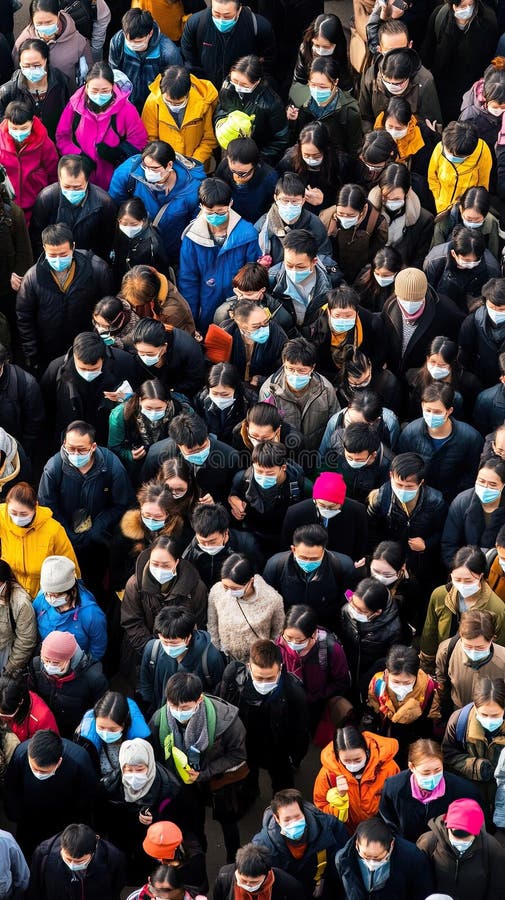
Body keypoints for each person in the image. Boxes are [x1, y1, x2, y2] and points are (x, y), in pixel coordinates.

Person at [150, 671, 247, 860]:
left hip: (219, 782)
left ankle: (234, 859)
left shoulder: (227, 721)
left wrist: (204, 773)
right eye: (173, 706)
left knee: (228, 822)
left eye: (185, 707)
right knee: (193, 822)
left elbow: (238, 755)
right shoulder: (159, 720)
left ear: (199, 700)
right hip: (184, 783)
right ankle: (199, 855)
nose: (178, 712)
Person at [38, 421, 134, 591]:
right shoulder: (54, 468)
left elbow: (122, 504)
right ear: (64, 444)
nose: (75, 454)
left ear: (93, 447)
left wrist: (99, 526)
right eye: (70, 448)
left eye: (81, 450)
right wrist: (67, 532)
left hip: (100, 539)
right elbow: (47, 506)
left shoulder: (112, 466)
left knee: (97, 581)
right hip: (65, 539)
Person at [16, 222, 114, 373]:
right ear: (44, 249)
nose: (58, 260)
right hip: (49, 348)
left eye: (63, 255)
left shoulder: (96, 269)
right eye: (52, 255)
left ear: (73, 247)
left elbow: (108, 305)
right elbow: (24, 317)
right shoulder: (33, 278)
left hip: (87, 346)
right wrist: (32, 355)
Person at [219, 639, 309, 792]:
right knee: (247, 782)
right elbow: (224, 708)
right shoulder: (234, 675)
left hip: (278, 748)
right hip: (247, 743)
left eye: (270, 678)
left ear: (280, 668)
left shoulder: (294, 692)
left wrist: (295, 757)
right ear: (249, 667)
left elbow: (301, 730)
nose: (263, 683)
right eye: (259, 677)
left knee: (283, 787)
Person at [178, 177, 261, 333]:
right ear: (201, 206)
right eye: (210, 212)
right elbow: (188, 280)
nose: (215, 216)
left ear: (230, 203)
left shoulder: (247, 234)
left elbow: (254, 274)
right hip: (205, 305)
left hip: (239, 302)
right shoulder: (192, 238)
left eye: (221, 211)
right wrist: (191, 318)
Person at [5, 728, 98, 859]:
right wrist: (15, 813)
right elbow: (12, 786)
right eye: (34, 768)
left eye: (43, 772)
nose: (38, 773)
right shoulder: (21, 752)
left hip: (63, 822)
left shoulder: (79, 760)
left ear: (59, 761)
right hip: (29, 818)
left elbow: (87, 798)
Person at [56, 61, 148, 192]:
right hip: (81, 179)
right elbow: (62, 137)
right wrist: (78, 156)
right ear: (86, 87)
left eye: (105, 91)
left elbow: (139, 140)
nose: (99, 95)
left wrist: (119, 153)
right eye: (94, 90)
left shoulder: (127, 109)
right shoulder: (74, 106)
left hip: (115, 179)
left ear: (113, 86)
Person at [109, 140, 205, 264]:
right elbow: (116, 205)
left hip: (172, 252)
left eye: (154, 168)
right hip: (135, 248)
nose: (148, 172)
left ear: (169, 165)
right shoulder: (128, 174)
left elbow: (195, 226)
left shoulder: (192, 188)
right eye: (145, 166)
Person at [121, 536, 208, 669]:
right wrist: (152, 651)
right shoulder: (135, 585)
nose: (159, 569)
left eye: (166, 565)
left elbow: (199, 624)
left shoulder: (196, 588)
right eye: (155, 564)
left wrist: (180, 649)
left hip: (183, 652)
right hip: (144, 652)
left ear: (177, 562)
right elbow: (132, 622)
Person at [41, 330, 137, 448]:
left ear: (103, 359)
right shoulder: (57, 369)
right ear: (75, 356)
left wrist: (124, 397)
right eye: (83, 369)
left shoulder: (123, 363)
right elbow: (46, 406)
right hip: (72, 436)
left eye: (93, 369)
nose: (87, 373)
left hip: (107, 432)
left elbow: (138, 396)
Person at [103, 738, 181, 881]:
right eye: (129, 769)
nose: (134, 775)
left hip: (150, 848)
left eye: (140, 769)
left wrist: (156, 818)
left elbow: (176, 819)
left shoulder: (168, 786)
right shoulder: (109, 785)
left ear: (149, 765)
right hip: (123, 840)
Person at [379, 737, 481, 843]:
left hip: (443, 848)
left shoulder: (463, 791)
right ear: (411, 767)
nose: (432, 777)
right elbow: (388, 823)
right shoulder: (393, 788)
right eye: (426, 772)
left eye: (437, 770)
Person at [420, 546, 505, 674]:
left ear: (481, 576)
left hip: (476, 671)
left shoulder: (497, 609)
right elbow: (430, 632)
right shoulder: (440, 595)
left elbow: (499, 650)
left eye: (468, 580)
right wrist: (426, 665)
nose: (462, 585)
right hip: (443, 662)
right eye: (457, 579)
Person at [252, 787, 347, 899]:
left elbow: (343, 861)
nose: (294, 823)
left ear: (304, 813)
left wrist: (326, 879)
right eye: (287, 820)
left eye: (297, 817)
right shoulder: (262, 846)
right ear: (277, 819)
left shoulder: (329, 827)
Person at [397, 382, 483, 502]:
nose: (431, 415)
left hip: (453, 499)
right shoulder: (410, 433)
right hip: (419, 497)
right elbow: (402, 466)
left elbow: (472, 473)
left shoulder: (470, 438)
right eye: (428, 410)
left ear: (449, 411)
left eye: (437, 412)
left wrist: (456, 496)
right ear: (422, 406)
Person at [275, 605, 351, 739]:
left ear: (314, 634)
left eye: (299, 640)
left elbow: (341, 681)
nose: (292, 643)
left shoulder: (331, 649)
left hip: (319, 705)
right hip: (290, 704)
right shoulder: (279, 646)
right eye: (288, 637)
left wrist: (313, 697)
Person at [263, 523, 355, 631]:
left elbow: (347, 604)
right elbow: (267, 603)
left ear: (324, 550)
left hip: (325, 628)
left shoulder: (343, 567)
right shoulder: (275, 566)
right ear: (293, 549)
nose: (308, 562)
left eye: (314, 559)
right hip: (288, 628)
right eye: (303, 557)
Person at [139, 606, 225, 717]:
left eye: (173, 643)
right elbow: (146, 688)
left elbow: (218, 694)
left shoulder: (210, 658)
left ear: (188, 637)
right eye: (165, 642)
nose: (169, 647)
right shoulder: (152, 649)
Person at [421, 0, 498, 123]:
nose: (467, 8)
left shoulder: (488, 20)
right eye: (462, 6)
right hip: (443, 87)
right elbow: (428, 53)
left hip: (471, 88)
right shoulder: (440, 16)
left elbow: (487, 56)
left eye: (470, 5)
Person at [30, 153, 118, 262]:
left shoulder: (104, 203)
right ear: (59, 179)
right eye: (66, 186)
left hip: (88, 261)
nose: (71, 191)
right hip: (55, 260)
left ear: (87, 181)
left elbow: (106, 242)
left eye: (77, 187)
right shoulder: (47, 198)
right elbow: (37, 238)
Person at [0, 481, 79, 599]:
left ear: (35, 507)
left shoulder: (54, 530)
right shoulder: (3, 517)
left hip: (45, 595)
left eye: (23, 514)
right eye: (13, 513)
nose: (17, 518)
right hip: (12, 591)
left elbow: (70, 566)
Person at [228, 441, 309, 554]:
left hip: (284, 537)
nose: (263, 476)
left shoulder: (300, 485)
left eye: (270, 473)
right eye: (259, 471)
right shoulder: (242, 478)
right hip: (253, 535)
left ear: (283, 467)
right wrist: (233, 501)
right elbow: (232, 494)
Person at [313, 725, 399, 833]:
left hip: (381, 829)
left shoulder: (388, 768)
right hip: (347, 831)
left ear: (366, 751)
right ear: (337, 756)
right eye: (347, 761)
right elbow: (320, 807)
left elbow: (397, 799)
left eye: (358, 759)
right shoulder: (327, 775)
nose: (353, 764)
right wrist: (340, 801)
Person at [442, 677, 505, 822]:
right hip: (470, 792)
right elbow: (448, 754)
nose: (489, 719)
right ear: (475, 707)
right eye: (484, 714)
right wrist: (476, 767)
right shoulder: (459, 722)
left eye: (495, 715)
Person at [417, 797, 505, 900]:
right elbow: (417, 880)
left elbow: (497, 888)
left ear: (477, 832)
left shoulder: (492, 848)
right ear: (446, 825)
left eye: (466, 836)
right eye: (456, 834)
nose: (461, 841)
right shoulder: (429, 842)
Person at [259, 337, 338, 452]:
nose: (295, 374)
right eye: (290, 369)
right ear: (284, 363)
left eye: (302, 370)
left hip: (315, 451)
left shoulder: (325, 390)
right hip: (284, 452)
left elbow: (335, 425)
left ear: (312, 368)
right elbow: (264, 427)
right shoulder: (269, 391)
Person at [142, 413, 240, 504]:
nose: (199, 453)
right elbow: (146, 487)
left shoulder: (230, 456)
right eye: (192, 452)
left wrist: (217, 498)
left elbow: (233, 489)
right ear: (178, 444)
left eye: (203, 448)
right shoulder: (157, 456)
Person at [381, 267, 463, 376]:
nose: (409, 304)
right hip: (393, 371)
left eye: (416, 299)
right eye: (405, 299)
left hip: (423, 375)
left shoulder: (447, 311)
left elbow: (456, 345)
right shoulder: (390, 305)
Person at [180, 0, 276, 91]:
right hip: (208, 90)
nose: (221, 20)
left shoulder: (259, 27)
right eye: (216, 14)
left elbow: (267, 63)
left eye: (227, 16)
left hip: (241, 90)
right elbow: (190, 61)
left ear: (239, 10)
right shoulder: (196, 24)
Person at [30, 630, 108, 738]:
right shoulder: (36, 666)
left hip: (75, 731)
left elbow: (100, 710)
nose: (49, 666)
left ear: (70, 659)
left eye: (56, 663)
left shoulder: (94, 679)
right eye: (46, 660)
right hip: (46, 728)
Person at [366, 645, 439, 761]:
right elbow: (372, 708)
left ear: (416, 675)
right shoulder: (378, 683)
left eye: (407, 683)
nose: (401, 687)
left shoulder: (429, 688)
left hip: (414, 740)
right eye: (395, 682)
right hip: (385, 737)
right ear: (387, 672)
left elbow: (430, 724)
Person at [304, 283, 386, 385]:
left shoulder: (372, 324)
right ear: (329, 312)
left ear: (357, 312)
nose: (342, 320)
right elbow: (315, 361)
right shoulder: (315, 326)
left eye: (348, 316)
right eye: (337, 315)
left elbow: (379, 355)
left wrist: (363, 376)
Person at [207, 553, 284, 661]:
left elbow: (278, 634)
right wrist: (217, 652)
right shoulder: (217, 591)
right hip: (225, 657)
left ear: (251, 581)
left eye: (235, 588)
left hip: (256, 661)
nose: (229, 592)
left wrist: (263, 658)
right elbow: (212, 625)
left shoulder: (272, 599)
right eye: (225, 586)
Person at [335, 816, 434, 899]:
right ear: (357, 844)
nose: (371, 863)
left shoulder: (413, 858)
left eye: (377, 858)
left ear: (391, 845)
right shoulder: (343, 859)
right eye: (366, 856)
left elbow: (422, 893)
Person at [214, 55, 288, 164]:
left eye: (244, 84)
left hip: (254, 157)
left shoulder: (271, 104)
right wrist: (221, 124)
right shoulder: (228, 87)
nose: (237, 87)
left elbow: (280, 139)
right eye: (234, 80)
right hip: (228, 149)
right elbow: (221, 110)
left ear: (257, 82)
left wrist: (257, 158)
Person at [108, 379, 186, 482]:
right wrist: (129, 455)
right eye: (148, 408)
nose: (153, 413)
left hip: (169, 459)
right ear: (140, 400)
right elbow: (114, 447)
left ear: (167, 402)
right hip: (137, 463)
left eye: (159, 408)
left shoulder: (179, 410)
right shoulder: (120, 414)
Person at [281, 472, 368, 563]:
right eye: (322, 505)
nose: (326, 509)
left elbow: (361, 544)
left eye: (332, 507)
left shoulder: (357, 511)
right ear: (314, 500)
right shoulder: (296, 512)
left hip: (341, 563)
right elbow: (285, 547)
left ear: (342, 502)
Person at [142, 64, 217, 169]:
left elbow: (209, 139)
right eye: (168, 101)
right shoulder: (153, 102)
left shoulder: (203, 103)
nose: (172, 105)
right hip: (164, 165)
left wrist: (195, 161)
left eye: (178, 103)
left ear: (187, 93)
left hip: (196, 165)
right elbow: (150, 138)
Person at [32, 556, 107, 661]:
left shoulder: (91, 613)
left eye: (57, 595)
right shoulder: (41, 599)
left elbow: (98, 647)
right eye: (48, 594)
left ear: (72, 591)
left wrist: (86, 664)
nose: (51, 599)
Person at [435, 609, 505, 720]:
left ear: (492, 639)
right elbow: (442, 680)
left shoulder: (503, 659)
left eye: (480, 648)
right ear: (461, 636)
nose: (473, 652)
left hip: (491, 716)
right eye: (468, 646)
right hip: (458, 713)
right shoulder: (446, 651)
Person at [109, 8, 182, 112]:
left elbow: (173, 83)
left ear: (150, 33)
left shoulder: (168, 52)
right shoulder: (117, 42)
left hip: (153, 105)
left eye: (138, 41)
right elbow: (114, 73)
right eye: (129, 40)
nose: (133, 45)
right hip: (126, 102)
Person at [29, 823, 127, 900]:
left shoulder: (113, 857)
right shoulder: (44, 854)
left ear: (93, 852)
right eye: (68, 859)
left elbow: (117, 887)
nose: (72, 864)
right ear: (62, 847)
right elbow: (35, 888)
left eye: (80, 861)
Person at [267, 229, 339, 334]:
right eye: (289, 265)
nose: (293, 271)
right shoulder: (272, 279)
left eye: (300, 267)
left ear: (314, 262)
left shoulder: (332, 278)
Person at [13, 0, 93, 92]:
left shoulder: (79, 42)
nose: (44, 27)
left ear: (58, 15)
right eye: (39, 23)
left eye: (49, 22)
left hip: (67, 95)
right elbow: (16, 70)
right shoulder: (22, 42)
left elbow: (87, 76)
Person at [0, 37, 70, 142]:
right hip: (23, 146)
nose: (31, 69)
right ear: (20, 63)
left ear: (45, 60)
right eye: (26, 65)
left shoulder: (61, 81)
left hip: (53, 142)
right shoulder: (8, 90)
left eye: (36, 65)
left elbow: (67, 113)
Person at [255, 172, 332, 267]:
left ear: (303, 201)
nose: (289, 205)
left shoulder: (314, 224)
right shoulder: (264, 224)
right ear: (275, 198)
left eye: (295, 201)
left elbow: (325, 255)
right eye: (285, 200)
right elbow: (252, 256)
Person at [289, 57, 362, 157]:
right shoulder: (299, 97)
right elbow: (290, 136)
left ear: (335, 82)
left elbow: (354, 149)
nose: (316, 90)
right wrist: (291, 120)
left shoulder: (349, 110)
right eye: (313, 85)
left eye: (322, 87)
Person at [0, 101, 58, 225]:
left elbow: (53, 174)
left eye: (24, 128)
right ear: (7, 122)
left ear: (32, 122)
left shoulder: (44, 143)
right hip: (7, 207)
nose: (18, 132)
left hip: (36, 207)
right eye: (14, 128)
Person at [359, 47, 442, 132]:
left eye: (397, 84)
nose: (392, 86)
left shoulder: (424, 82)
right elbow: (364, 116)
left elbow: (433, 122)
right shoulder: (372, 77)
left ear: (408, 77)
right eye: (387, 82)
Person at [182, 503, 262, 590]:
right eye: (202, 542)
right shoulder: (190, 551)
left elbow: (257, 575)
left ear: (225, 532)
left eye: (212, 541)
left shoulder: (247, 544)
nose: (207, 546)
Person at [368, 163, 434, 268]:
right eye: (385, 197)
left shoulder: (424, 220)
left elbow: (419, 257)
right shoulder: (368, 213)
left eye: (396, 199)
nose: (389, 201)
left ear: (407, 192)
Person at [320, 183, 388, 284]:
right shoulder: (327, 218)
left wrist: (370, 271)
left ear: (363, 209)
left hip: (361, 273)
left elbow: (377, 254)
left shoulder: (377, 223)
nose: (344, 218)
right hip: (333, 270)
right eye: (341, 214)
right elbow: (322, 251)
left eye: (350, 215)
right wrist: (333, 274)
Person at [441, 460, 505, 567]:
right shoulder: (462, 502)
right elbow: (449, 544)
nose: (485, 487)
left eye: (492, 484)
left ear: (502, 485)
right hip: (464, 567)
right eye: (481, 481)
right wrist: (461, 571)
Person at [405, 335, 481, 424]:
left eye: (442, 365)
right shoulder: (414, 378)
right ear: (427, 358)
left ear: (452, 364)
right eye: (433, 362)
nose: (436, 367)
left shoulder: (469, 383)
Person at [424, 226, 500, 314]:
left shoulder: (491, 268)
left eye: (475, 260)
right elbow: (428, 290)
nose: (471, 264)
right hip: (440, 308)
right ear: (453, 254)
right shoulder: (435, 260)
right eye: (466, 260)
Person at [75, 690, 151, 778]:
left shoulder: (141, 740)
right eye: (101, 727)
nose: (106, 733)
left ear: (124, 724)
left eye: (113, 729)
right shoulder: (85, 739)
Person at [427, 122, 493, 215]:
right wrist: (438, 197)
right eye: (449, 152)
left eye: (458, 156)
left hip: (467, 207)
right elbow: (432, 176)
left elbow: (483, 184)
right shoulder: (440, 147)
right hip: (443, 205)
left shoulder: (482, 151)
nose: (452, 157)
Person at [320, 422, 392, 505]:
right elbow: (325, 466)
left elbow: (382, 496)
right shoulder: (337, 439)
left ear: (373, 454)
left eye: (359, 460)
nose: (353, 462)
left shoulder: (387, 463)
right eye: (349, 457)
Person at [277, 121, 340, 214]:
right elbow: (280, 185)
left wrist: (324, 199)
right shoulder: (289, 161)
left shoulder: (338, 162)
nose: (311, 159)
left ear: (326, 150)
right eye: (306, 155)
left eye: (316, 156)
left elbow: (345, 193)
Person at [222, 302, 287, 389]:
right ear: (240, 324)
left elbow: (285, 367)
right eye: (256, 326)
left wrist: (263, 380)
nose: (263, 329)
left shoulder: (277, 334)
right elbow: (216, 367)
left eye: (266, 322)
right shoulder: (225, 333)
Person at [110, 198, 170, 289]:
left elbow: (162, 274)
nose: (128, 228)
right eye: (124, 224)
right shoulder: (119, 231)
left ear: (143, 220)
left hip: (141, 287)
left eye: (133, 224)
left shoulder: (154, 244)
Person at [215, 138, 278, 225]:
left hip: (255, 222)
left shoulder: (269, 177)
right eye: (233, 170)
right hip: (229, 220)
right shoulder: (224, 167)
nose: (236, 175)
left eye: (242, 173)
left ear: (254, 165)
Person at [214, 842, 305, 900]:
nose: (248, 885)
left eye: (254, 882)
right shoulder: (225, 876)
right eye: (243, 880)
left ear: (266, 874)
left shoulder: (288, 885)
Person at [122, 266, 196, 336]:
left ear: (150, 300)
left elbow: (160, 338)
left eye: (136, 305)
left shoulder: (172, 311)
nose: (133, 306)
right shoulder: (146, 277)